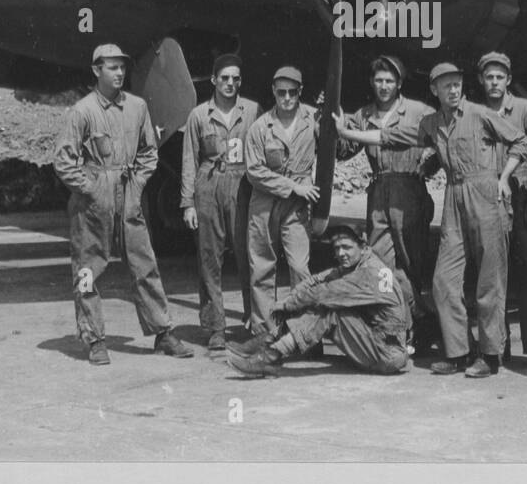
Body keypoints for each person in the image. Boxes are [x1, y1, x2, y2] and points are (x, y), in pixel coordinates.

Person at [336, 61, 527, 379]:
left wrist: (505, 177)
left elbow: (521, 141)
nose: (453, 90)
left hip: (485, 195)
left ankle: (491, 355)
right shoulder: (431, 122)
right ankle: (459, 352)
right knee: (443, 280)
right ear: (434, 90)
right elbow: (391, 136)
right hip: (454, 197)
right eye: (446, 86)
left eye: (457, 84)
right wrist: (345, 131)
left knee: (489, 282)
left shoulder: (480, 114)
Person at [53, 44, 194, 365]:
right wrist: (90, 188)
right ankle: (95, 339)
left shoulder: (138, 107)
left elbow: (148, 152)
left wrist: (139, 183)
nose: (119, 73)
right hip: (93, 199)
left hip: (130, 195)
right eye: (112, 67)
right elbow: (64, 161)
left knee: (145, 264)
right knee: (89, 270)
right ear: (96, 70)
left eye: (122, 68)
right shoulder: (82, 111)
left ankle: (163, 332)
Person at [226, 225, 412, 378]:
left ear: (362, 246)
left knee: (329, 311)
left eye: (347, 247)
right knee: (317, 301)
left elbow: (324, 293)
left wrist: (288, 305)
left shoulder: (370, 272)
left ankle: (269, 356)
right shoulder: (360, 262)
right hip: (375, 342)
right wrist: (293, 298)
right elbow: (317, 280)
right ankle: (268, 342)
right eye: (337, 248)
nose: (341, 253)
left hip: (387, 353)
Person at [337, 55, 437, 316]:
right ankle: (390, 318)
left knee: (411, 259)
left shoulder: (419, 112)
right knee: (380, 260)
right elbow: (344, 151)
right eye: (379, 80)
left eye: (389, 81)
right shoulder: (363, 115)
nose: (383, 86)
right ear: (372, 82)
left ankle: (417, 321)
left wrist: (430, 167)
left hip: (410, 191)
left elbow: (443, 141)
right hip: (379, 191)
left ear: (399, 84)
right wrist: (328, 126)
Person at [476, 52, 527, 365]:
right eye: (489, 77)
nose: (494, 82)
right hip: (490, 201)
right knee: (493, 275)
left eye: (500, 77)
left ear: (508, 79)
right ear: (482, 80)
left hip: (521, 198)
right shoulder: (476, 112)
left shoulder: (525, 110)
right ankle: (497, 346)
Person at [180, 54, 259, 351]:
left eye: (235, 78)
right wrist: (187, 202)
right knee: (209, 258)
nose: (230, 83)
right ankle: (215, 327)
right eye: (224, 78)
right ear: (213, 80)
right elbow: (189, 159)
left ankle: (256, 320)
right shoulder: (199, 115)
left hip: (242, 185)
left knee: (249, 254)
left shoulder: (251, 110)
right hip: (208, 184)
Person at [244, 67, 319, 336]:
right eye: (281, 92)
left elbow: (337, 148)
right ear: (273, 92)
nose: (286, 98)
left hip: (296, 206)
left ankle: (305, 330)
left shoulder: (313, 119)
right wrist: (293, 187)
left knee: (300, 266)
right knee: (263, 265)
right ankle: (265, 332)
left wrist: (338, 119)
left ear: (300, 92)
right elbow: (254, 171)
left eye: (292, 92)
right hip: (265, 202)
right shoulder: (260, 127)